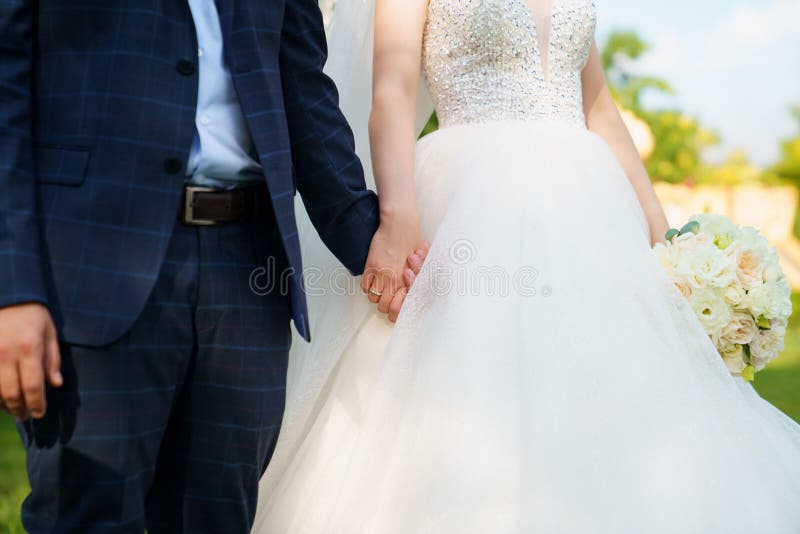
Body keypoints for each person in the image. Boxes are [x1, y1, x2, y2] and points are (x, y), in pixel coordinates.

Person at [253, 0, 800, 532]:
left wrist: (667, 239)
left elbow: (599, 105)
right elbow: (392, 89)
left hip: (588, 211)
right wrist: (397, 218)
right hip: (469, 200)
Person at [0, 1, 419, 531]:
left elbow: (302, 89)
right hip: (89, 270)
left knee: (218, 518)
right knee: (87, 517)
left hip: (246, 280)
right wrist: (13, 288)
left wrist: (374, 250)